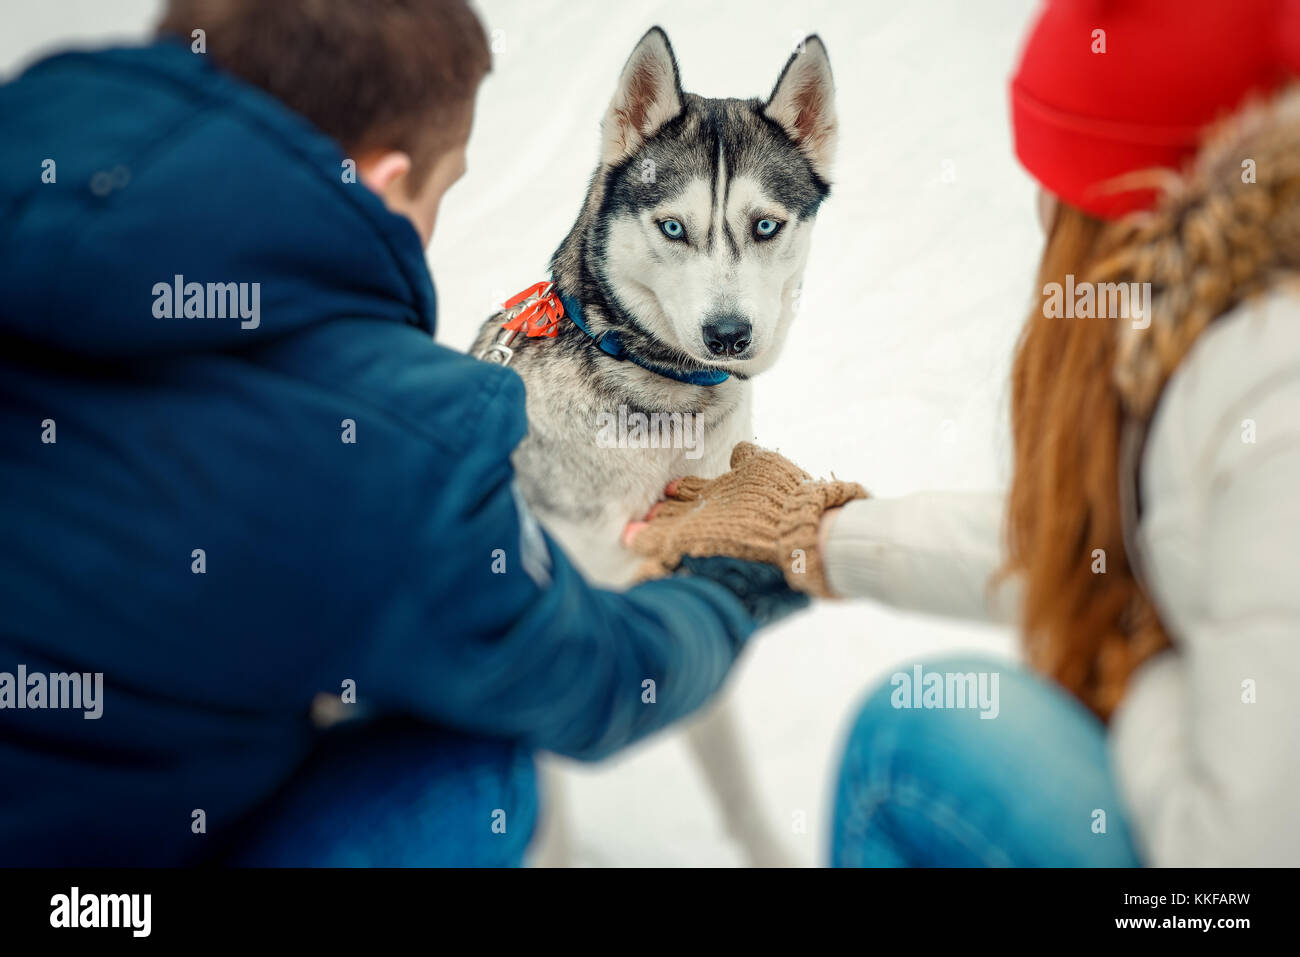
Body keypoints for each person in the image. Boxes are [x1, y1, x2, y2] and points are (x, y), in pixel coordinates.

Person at [0, 0, 805, 866]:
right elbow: (587, 681)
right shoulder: (390, 435)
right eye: (442, 187)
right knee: (475, 758)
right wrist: (726, 594)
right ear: (385, 182)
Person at [629, 0, 1300, 866]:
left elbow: (1233, 869)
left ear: (1145, 209)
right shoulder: (1233, 336)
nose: (1037, 217)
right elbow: (1084, 548)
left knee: (908, 745)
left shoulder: (1272, 396)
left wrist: (1136, 650)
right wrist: (819, 530)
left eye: (1056, 190)